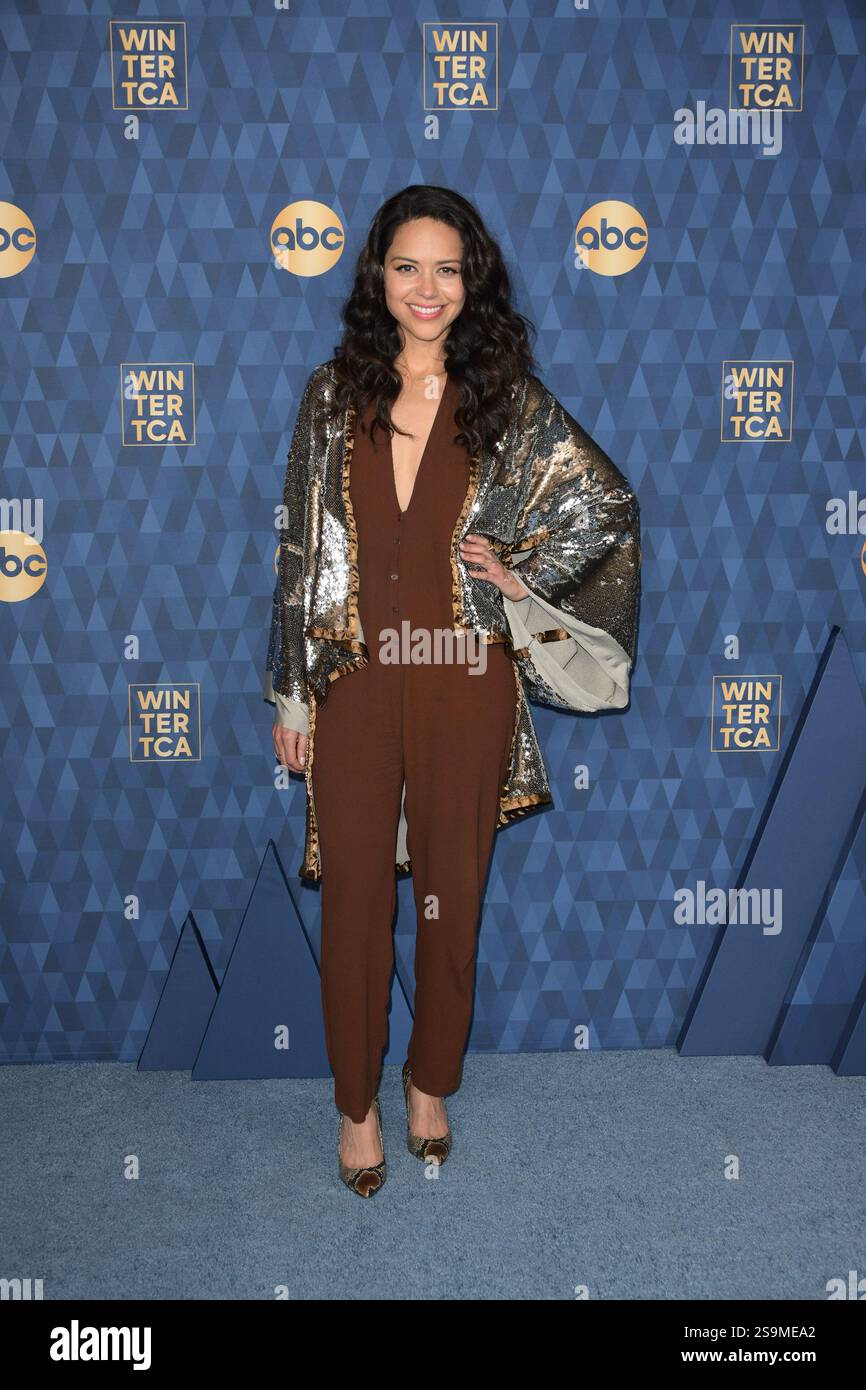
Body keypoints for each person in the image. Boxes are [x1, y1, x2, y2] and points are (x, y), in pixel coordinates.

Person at [264, 185, 641, 1197]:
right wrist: (291, 696)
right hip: (351, 684)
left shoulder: (504, 397)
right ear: (376, 278)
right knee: (351, 902)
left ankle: (429, 1083)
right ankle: (354, 1104)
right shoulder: (331, 392)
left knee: (449, 900)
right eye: (405, 266)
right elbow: (300, 554)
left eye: (446, 268)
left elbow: (603, 505)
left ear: (470, 280)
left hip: (462, 682)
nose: (425, 288)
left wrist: (518, 572)